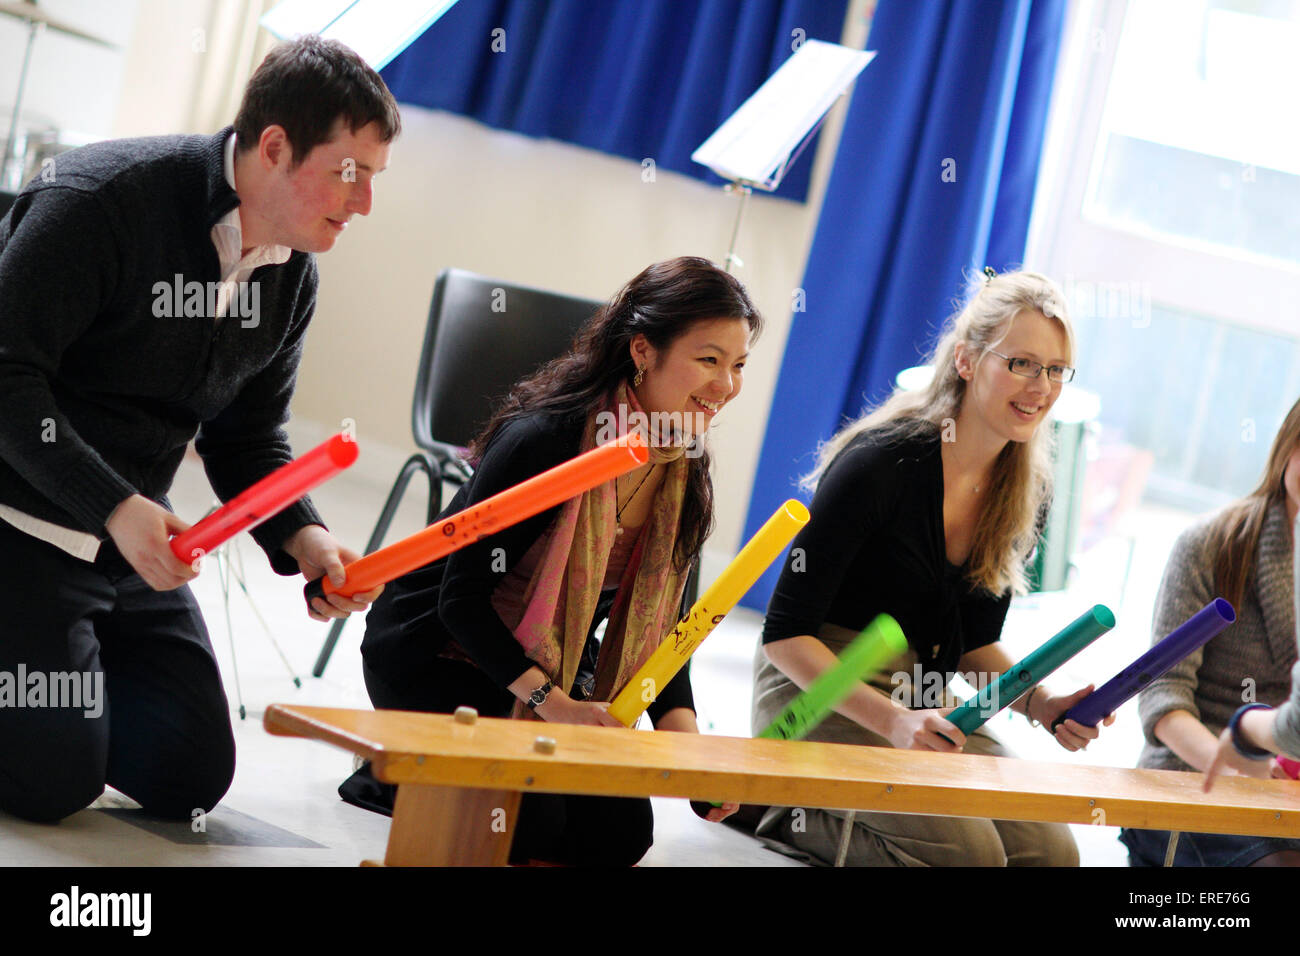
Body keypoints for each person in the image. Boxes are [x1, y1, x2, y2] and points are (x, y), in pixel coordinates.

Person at [0, 35, 397, 824]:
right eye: (350, 174)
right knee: (51, 781)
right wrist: (114, 504)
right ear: (275, 147)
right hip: (20, 521)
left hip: (130, 554)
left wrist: (304, 541)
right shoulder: (103, 201)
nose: (364, 204)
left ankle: (56, 679)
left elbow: (248, 438)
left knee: (190, 772)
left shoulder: (289, 274)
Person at [350, 256, 757, 865]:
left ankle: (435, 773)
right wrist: (555, 705)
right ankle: (395, 774)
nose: (725, 387)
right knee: (530, 829)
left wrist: (691, 760)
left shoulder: (684, 466)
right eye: (709, 360)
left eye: (739, 365)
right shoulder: (547, 438)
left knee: (617, 839)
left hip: (556, 659)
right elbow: (459, 600)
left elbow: (669, 639)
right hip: (440, 648)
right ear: (643, 351)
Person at [752, 269, 1110, 867]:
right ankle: (772, 807)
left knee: (1051, 855)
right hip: (820, 689)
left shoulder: (1024, 489)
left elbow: (972, 644)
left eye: (1054, 370)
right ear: (967, 362)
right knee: (971, 857)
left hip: (924, 697)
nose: (1040, 386)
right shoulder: (880, 465)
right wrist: (893, 721)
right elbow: (784, 639)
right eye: (1020, 362)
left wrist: (1042, 704)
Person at [1172, 398, 1300, 867]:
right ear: (1287, 446)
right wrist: (1243, 768)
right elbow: (1165, 695)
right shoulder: (1209, 546)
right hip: (1198, 775)